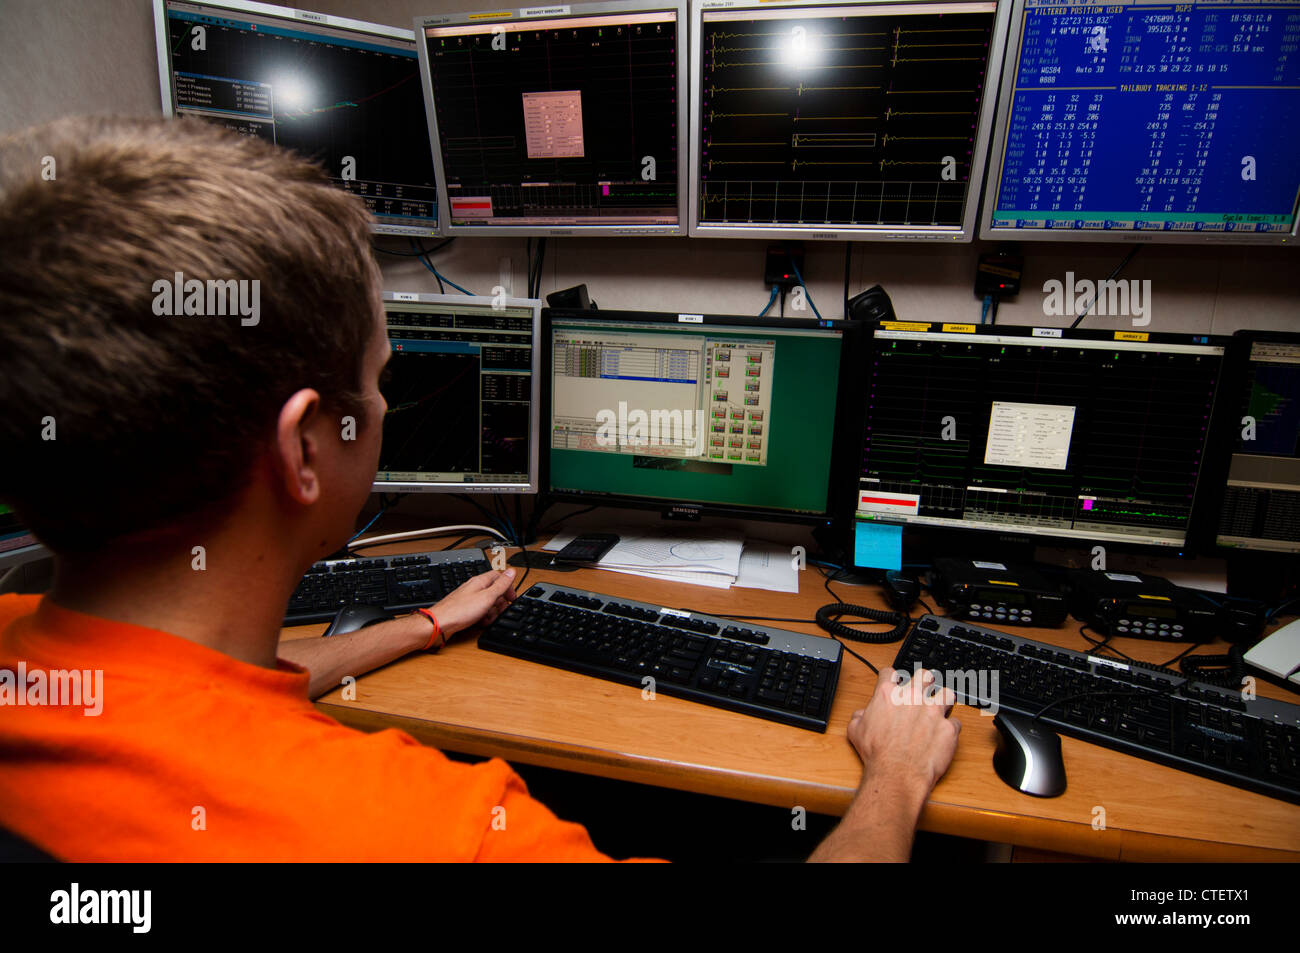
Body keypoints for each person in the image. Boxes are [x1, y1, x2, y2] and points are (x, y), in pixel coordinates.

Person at [0, 116, 960, 862]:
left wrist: (424, 625)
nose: (381, 407)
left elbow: (198, 700)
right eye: (378, 382)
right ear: (303, 448)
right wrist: (899, 773)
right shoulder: (435, 827)